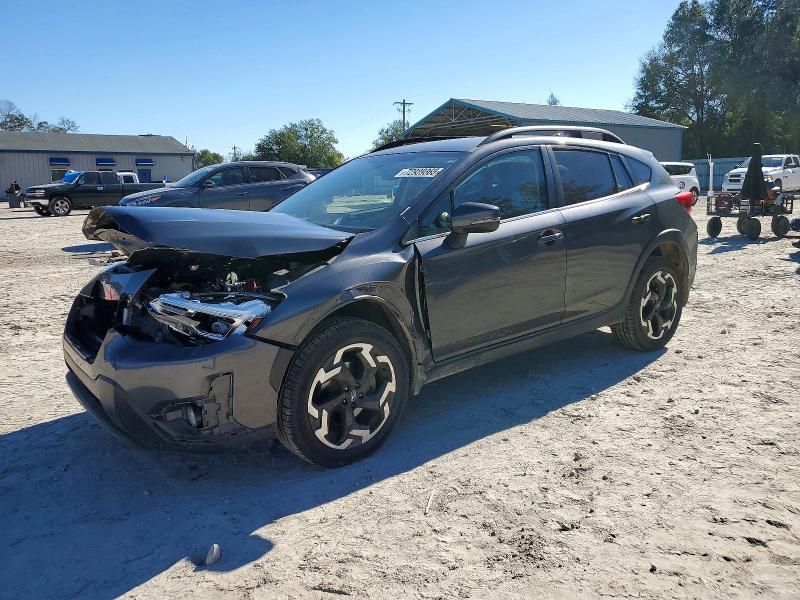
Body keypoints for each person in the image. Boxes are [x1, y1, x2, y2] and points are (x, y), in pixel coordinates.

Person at [741, 143, 768, 207]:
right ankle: (754, 205)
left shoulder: (754, 157)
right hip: (755, 177)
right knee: (755, 190)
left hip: (753, 177)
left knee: (753, 191)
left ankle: (754, 204)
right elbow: (758, 165)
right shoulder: (757, 156)